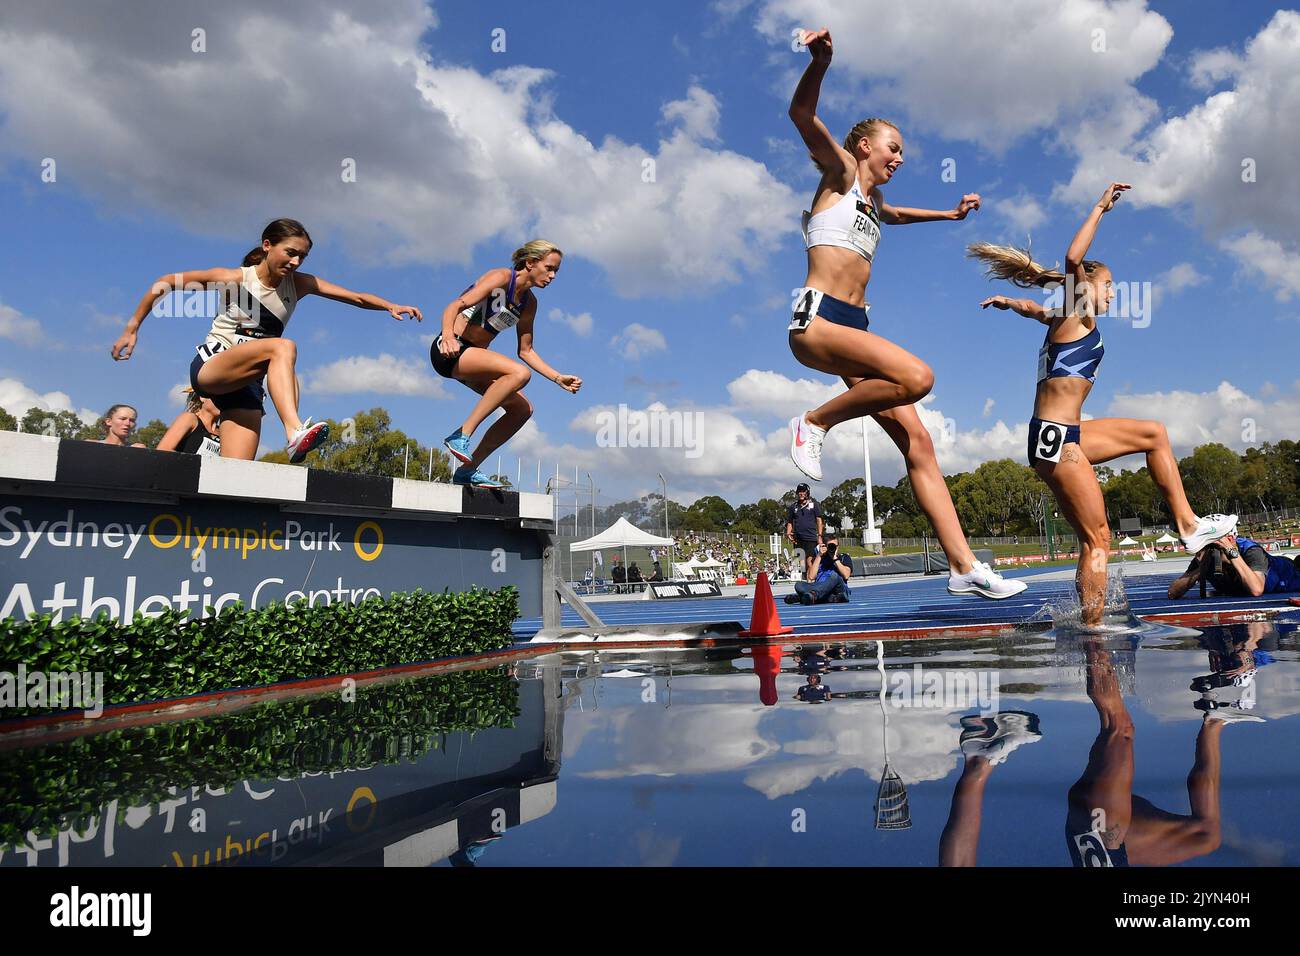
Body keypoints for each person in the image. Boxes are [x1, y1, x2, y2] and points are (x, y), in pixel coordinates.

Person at [785, 28, 1025, 602]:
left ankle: (963, 565)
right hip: (820, 321)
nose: (900, 157)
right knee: (918, 378)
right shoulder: (840, 174)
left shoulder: (872, 202)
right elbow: (800, 111)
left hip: (854, 329)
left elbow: (893, 216)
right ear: (863, 145)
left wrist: (949, 215)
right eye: (893, 147)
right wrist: (822, 61)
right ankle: (813, 422)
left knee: (919, 442)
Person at [968, 183, 1234, 625]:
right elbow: (1073, 260)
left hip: (1063, 433)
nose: (1112, 293)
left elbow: (1033, 307)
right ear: (1086, 285)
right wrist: (1099, 208)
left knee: (1155, 433)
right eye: (1108, 285)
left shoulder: (1061, 316)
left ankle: (1188, 525)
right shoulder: (1077, 311)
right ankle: (1093, 628)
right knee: (1098, 539)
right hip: (1055, 439)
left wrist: (1007, 301)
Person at [112, 218, 421, 463]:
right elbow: (166, 282)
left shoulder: (299, 284)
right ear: (267, 245)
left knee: (237, 478)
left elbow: (354, 296)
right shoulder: (235, 278)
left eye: (303, 256)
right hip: (213, 368)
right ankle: (294, 431)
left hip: (246, 387)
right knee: (283, 347)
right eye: (291, 252)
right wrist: (133, 327)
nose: (297, 261)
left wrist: (390, 306)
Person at [433, 240, 582, 487]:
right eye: (549, 268)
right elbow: (455, 305)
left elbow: (526, 350)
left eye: (556, 271)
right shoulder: (501, 277)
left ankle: (468, 470)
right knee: (518, 374)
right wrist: (447, 336)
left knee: (523, 409)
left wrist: (558, 378)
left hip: (472, 361)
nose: (553, 275)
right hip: (449, 350)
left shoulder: (529, 303)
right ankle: (462, 434)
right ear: (530, 263)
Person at [1167, 532, 1300, 599]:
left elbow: (1256, 589)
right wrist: (1201, 569)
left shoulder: (1250, 550)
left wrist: (1231, 551)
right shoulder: (1206, 556)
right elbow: (1173, 593)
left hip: (1287, 572)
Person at [784, 534, 852, 605]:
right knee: (798, 585)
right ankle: (832, 598)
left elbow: (846, 575)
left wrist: (835, 558)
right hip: (820, 586)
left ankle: (806, 596)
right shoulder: (820, 558)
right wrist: (819, 556)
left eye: (835, 546)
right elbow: (811, 577)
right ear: (825, 546)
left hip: (838, 589)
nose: (833, 548)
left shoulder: (844, 557)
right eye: (830, 546)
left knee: (834, 576)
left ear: (838, 546)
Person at [156, 389, 222, 455]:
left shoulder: (224, 433)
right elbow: (162, 451)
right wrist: (197, 462)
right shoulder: (189, 419)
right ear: (202, 397)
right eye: (219, 395)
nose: (224, 401)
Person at [785, 482, 824, 582]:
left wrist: (820, 535)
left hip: (810, 537)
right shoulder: (793, 507)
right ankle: (805, 580)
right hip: (798, 538)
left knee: (810, 561)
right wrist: (788, 533)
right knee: (802, 564)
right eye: (799, 492)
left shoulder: (813, 504)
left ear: (807, 493)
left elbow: (819, 520)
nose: (801, 493)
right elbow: (790, 521)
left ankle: (810, 581)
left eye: (803, 491)